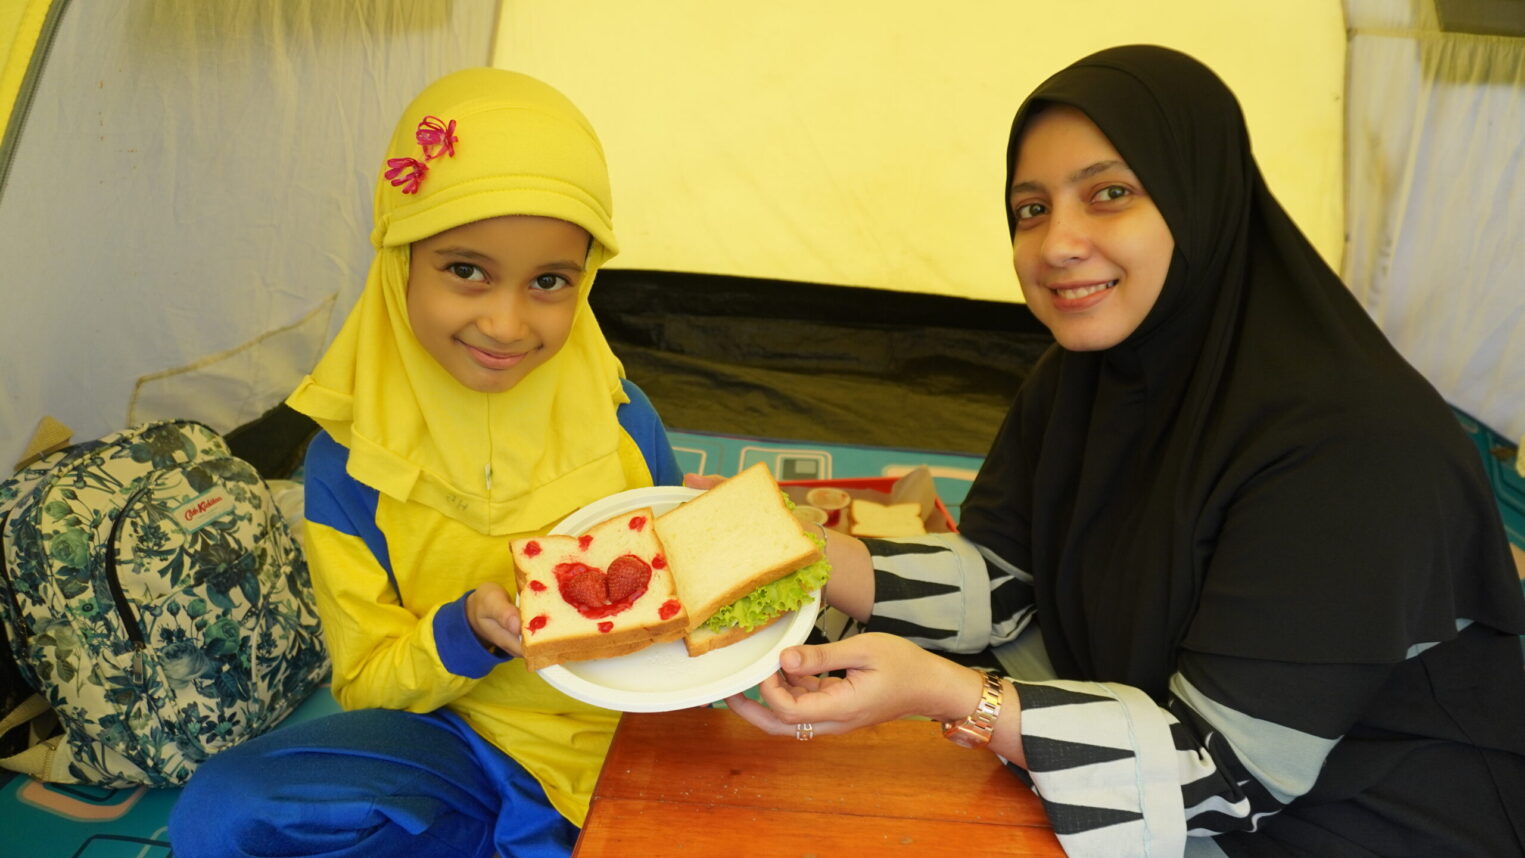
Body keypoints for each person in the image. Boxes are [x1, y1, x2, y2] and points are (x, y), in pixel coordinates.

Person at [724, 45, 1525, 857]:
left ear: (1199, 199)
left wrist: (952, 695)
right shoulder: (1084, 377)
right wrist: (804, 554)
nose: (1057, 244)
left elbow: (1224, 772)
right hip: (1155, 750)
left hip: (1355, 820)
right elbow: (1008, 580)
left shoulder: (1348, 443)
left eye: (1110, 194)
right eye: (1030, 208)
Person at [168, 68, 682, 857]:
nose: (505, 324)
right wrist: (464, 632)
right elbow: (368, 684)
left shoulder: (621, 418)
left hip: (636, 743)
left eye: (549, 282)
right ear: (398, 257)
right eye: (465, 270)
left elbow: (677, 604)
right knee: (225, 814)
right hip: (465, 751)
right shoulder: (349, 462)